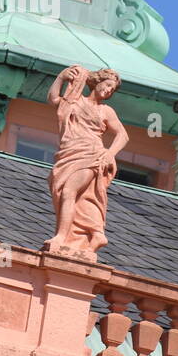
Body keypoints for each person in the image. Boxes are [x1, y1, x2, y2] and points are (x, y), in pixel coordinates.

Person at [44, 65, 128, 258]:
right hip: (70, 152)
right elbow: (54, 100)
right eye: (107, 85)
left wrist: (109, 154)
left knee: (69, 190)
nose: (108, 90)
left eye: (112, 89)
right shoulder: (75, 100)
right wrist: (61, 77)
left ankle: (61, 237)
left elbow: (123, 136)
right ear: (97, 82)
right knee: (78, 197)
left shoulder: (106, 111)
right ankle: (96, 233)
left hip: (92, 154)